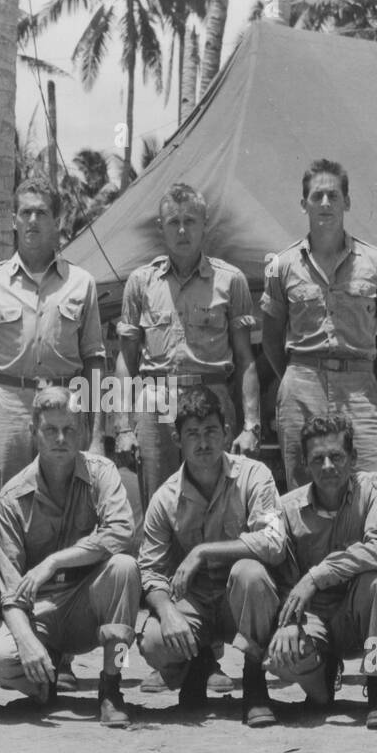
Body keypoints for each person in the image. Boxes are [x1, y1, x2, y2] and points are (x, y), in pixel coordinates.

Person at [113, 181, 260, 696]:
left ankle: (211, 654)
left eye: (190, 222)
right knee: (165, 517)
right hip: (155, 404)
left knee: (217, 512)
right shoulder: (140, 283)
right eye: (172, 222)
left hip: (211, 398)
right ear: (162, 227)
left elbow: (246, 360)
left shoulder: (231, 281)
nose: (181, 230)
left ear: (204, 227)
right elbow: (124, 362)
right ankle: (173, 653)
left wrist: (250, 425)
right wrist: (124, 424)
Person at [0, 178, 108, 693]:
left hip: (66, 406)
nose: (31, 221)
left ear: (58, 221)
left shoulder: (81, 283)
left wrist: (95, 432)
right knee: (7, 515)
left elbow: (95, 359)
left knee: (69, 519)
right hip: (10, 401)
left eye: (41, 213)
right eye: (22, 213)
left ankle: (62, 647)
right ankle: (10, 631)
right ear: (13, 221)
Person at [0, 387, 141, 728]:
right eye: (51, 430)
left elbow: (122, 531)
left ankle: (112, 685)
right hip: (41, 611)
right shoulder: (12, 497)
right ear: (33, 433)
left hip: (89, 604)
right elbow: (9, 587)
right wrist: (26, 641)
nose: (61, 438)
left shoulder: (101, 472)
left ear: (80, 432)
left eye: (69, 429)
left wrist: (54, 561)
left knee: (125, 568)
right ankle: (43, 678)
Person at [137, 387, 287, 727]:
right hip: (197, 602)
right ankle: (196, 664)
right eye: (192, 434)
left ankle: (254, 680)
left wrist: (203, 551)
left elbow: (274, 543)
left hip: (243, 601)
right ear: (177, 439)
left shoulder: (254, 476)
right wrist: (166, 612)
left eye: (210, 432)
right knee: (153, 640)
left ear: (227, 433)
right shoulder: (164, 499)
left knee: (251, 573)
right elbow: (150, 572)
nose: (203, 443)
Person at [261, 158, 377, 494]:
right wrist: (297, 380)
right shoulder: (280, 266)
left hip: (359, 387)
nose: (325, 203)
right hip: (302, 386)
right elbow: (270, 338)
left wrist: (368, 380)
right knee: (304, 491)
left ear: (347, 202)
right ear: (304, 205)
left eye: (333, 196)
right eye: (317, 196)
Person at [270, 414, 377, 729]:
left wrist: (319, 574)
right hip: (313, 617)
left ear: (353, 458)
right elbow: (283, 576)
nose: (328, 465)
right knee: (282, 659)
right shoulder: (288, 509)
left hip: (360, 616)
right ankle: (323, 679)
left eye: (337, 456)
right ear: (304, 463)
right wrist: (289, 623)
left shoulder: (372, 489)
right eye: (318, 458)